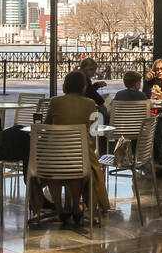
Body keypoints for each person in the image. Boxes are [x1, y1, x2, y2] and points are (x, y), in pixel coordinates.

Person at [40, 71, 110, 223]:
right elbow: (92, 131)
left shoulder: (54, 102)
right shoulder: (90, 103)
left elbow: (46, 126)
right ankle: (75, 205)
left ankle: (59, 209)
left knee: (54, 175)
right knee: (78, 171)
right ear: (84, 87)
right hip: (78, 158)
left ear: (65, 85)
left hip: (54, 160)